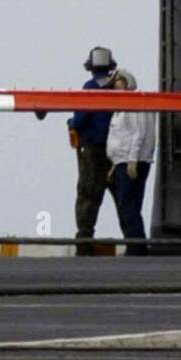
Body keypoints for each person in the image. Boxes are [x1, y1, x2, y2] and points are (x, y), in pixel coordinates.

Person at [68, 46, 119, 256]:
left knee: (88, 197)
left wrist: (70, 122)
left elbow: (79, 120)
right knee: (123, 199)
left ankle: (85, 243)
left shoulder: (89, 88)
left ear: (90, 67)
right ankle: (135, 243)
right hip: (118, 153)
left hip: (92, 153)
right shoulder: (117, 90)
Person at [106, 69, 155, 255]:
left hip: (131, 162)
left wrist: (132, 160)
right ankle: (134, 245)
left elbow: (138, 133)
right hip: (122, 162)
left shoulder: (134, 103)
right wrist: (114, 163)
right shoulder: (121, 107)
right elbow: (121, 137)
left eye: (120, 80)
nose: (117, 84)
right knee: (128, 206)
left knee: (129, 206)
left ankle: (136, 248)